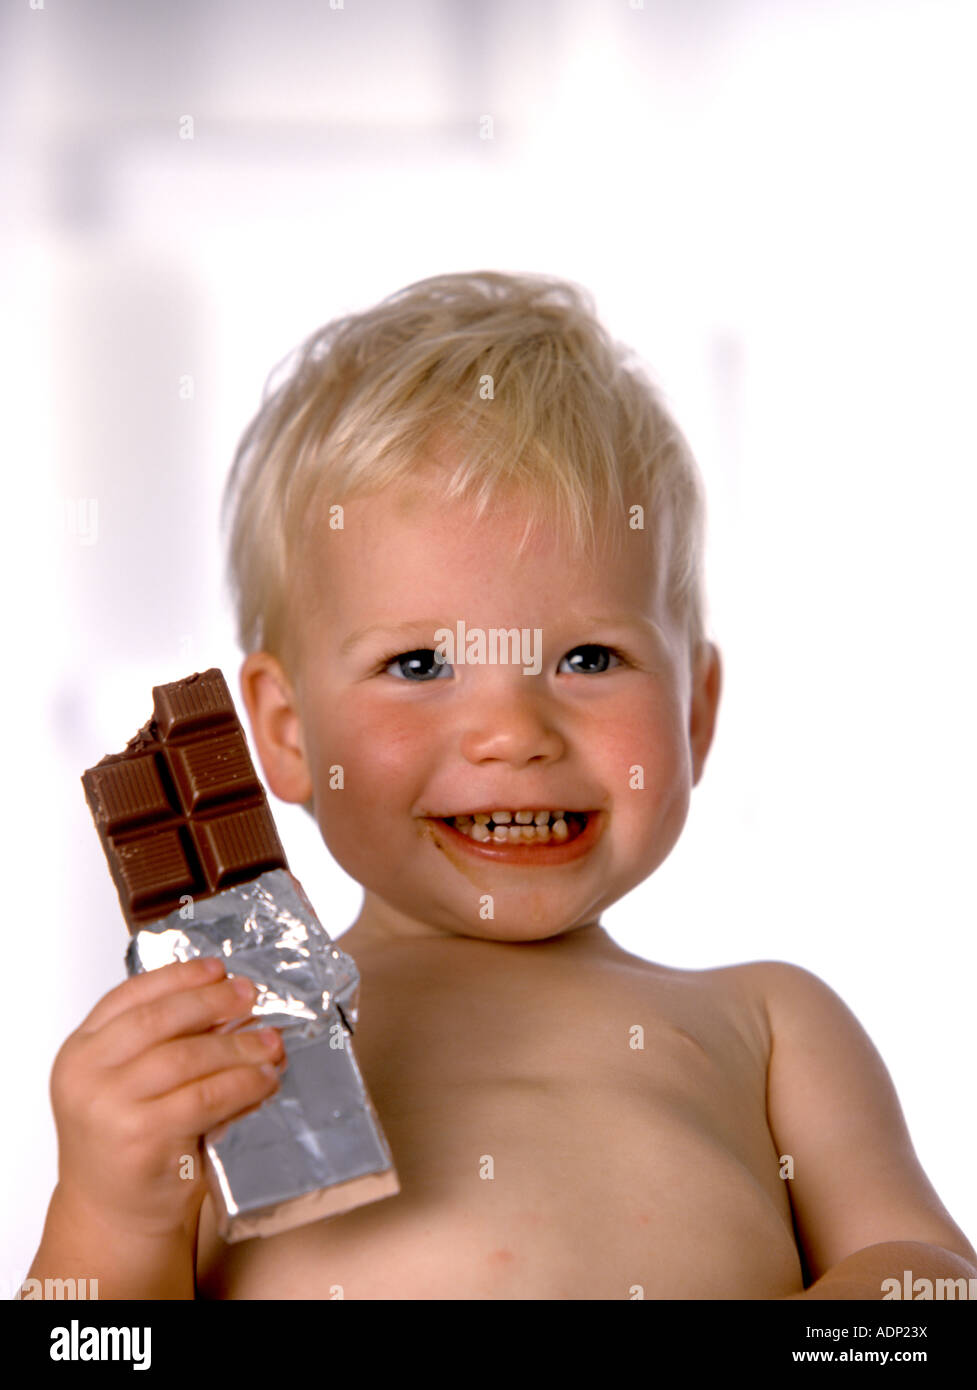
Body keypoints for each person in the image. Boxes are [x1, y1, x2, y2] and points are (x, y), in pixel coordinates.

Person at [25, 272, 977, 1299]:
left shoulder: (768, 1027)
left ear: (694, 711)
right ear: (289, 733)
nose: (512, 734)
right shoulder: (226, 1051)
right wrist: (107, 1217)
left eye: (588, 658)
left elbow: (931, 1287)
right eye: (419, 664)